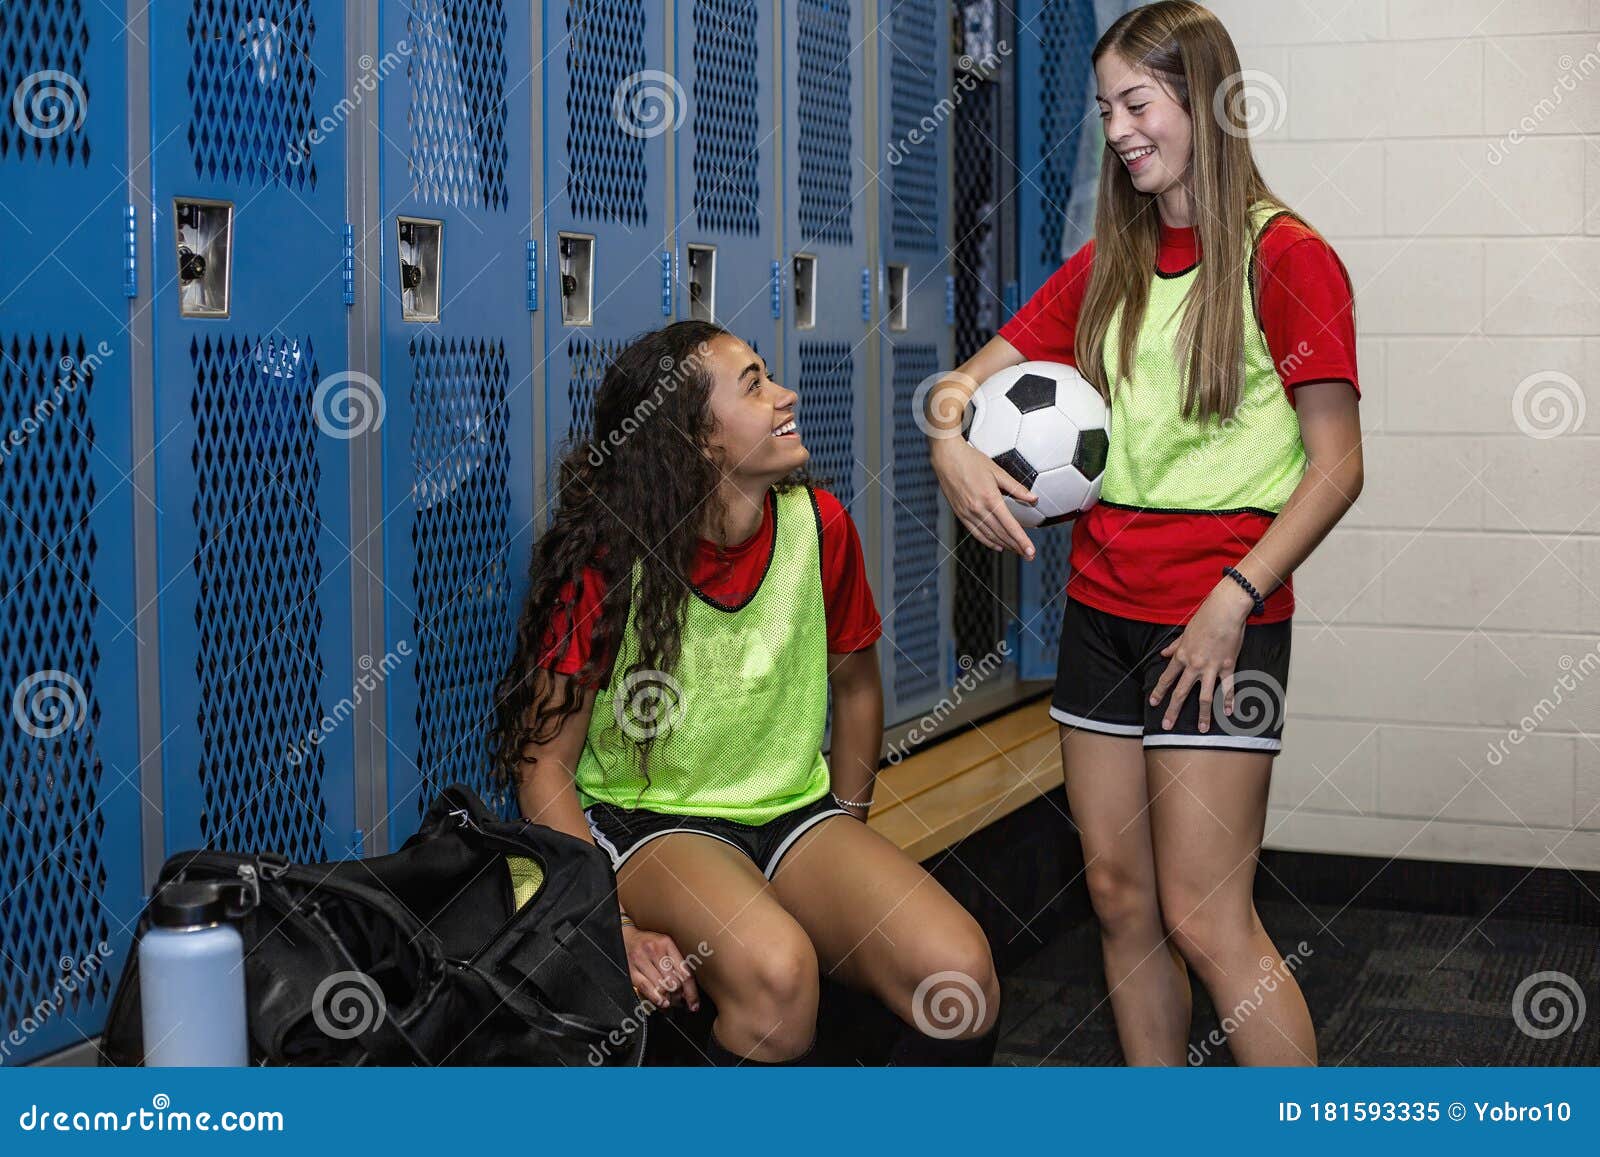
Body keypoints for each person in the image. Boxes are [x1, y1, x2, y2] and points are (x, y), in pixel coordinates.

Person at [926, 0, 1362, 1065]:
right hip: (1100, 612)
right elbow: (953, 389)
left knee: (1206, 917)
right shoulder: (1106, 266)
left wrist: (1235, 598)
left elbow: (1338, 465)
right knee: (1120, 899)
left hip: (1218, 620)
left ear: (1202, 101)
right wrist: (948, 443)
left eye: (1138, 101)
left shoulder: (1287, 256)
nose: (1118, 129)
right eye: (1105, 107)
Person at [491, 320, 1001, 1065]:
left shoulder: (819, 524)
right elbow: (542, 762)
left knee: (961, 979)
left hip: (794, 814)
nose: (787, 395)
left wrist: (848, 823)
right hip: (653, 825)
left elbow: (856, 688)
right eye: (756, 385)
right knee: (778, 974)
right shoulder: (609, 558)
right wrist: (602, 922)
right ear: (697, 440)